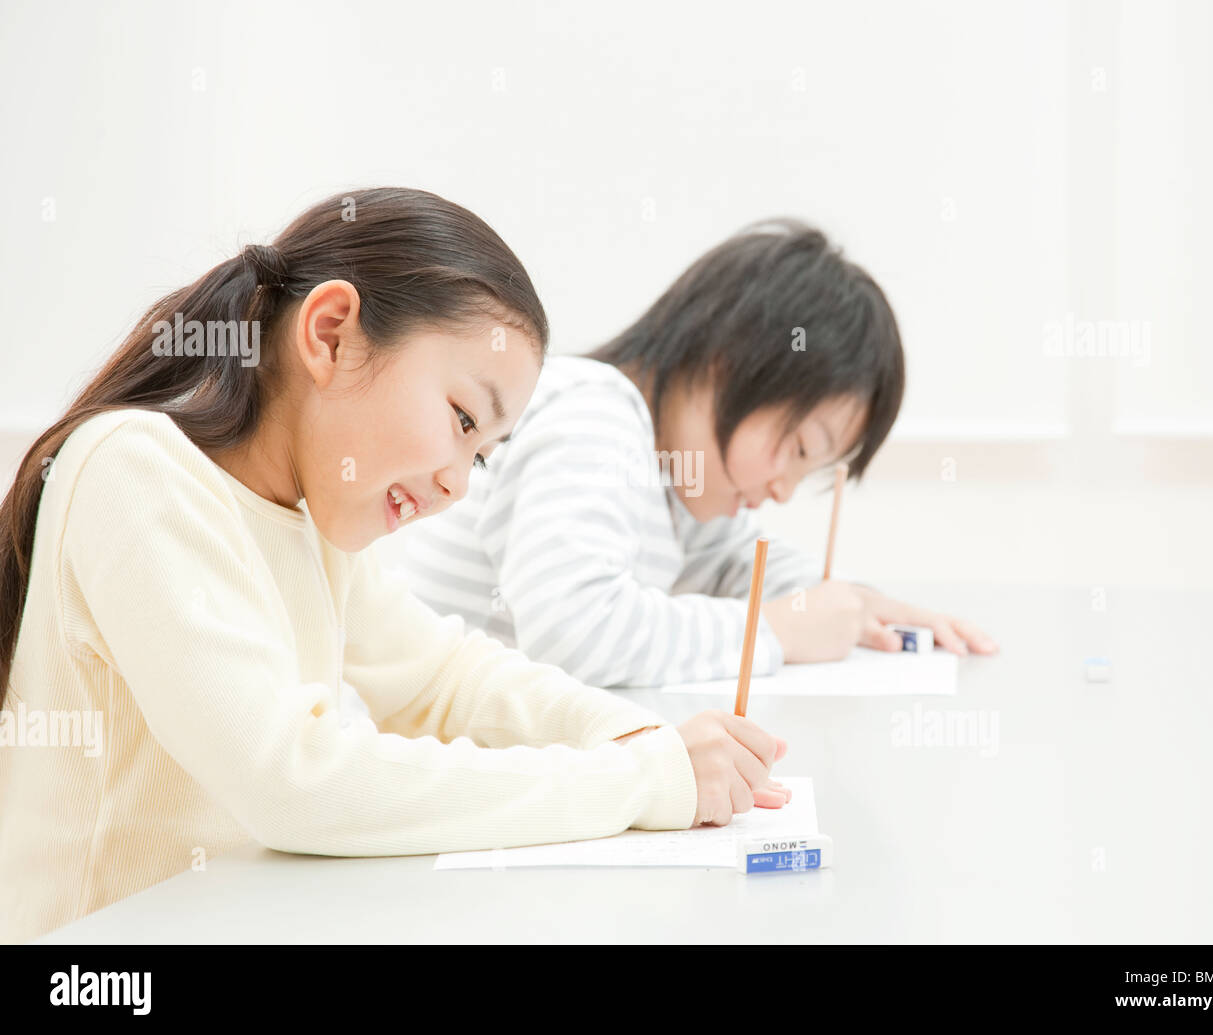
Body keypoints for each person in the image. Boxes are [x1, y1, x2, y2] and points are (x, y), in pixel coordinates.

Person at [0, 188, 788, 943]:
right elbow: (292, 779)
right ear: (332, 331)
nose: (456, 482)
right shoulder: (135, 471)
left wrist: (634, 732)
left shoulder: (306, 524)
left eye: (483, 455)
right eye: (461, 418)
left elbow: (447, 678)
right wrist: (639, 781)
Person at [396, 218, 998, 688]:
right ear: (728, 363)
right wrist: (776, 632)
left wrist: (854, 604)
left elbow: (740, 565)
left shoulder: (674, 482)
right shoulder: (594, 418)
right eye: (797, 448)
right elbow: (575, 632)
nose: (785, 491)